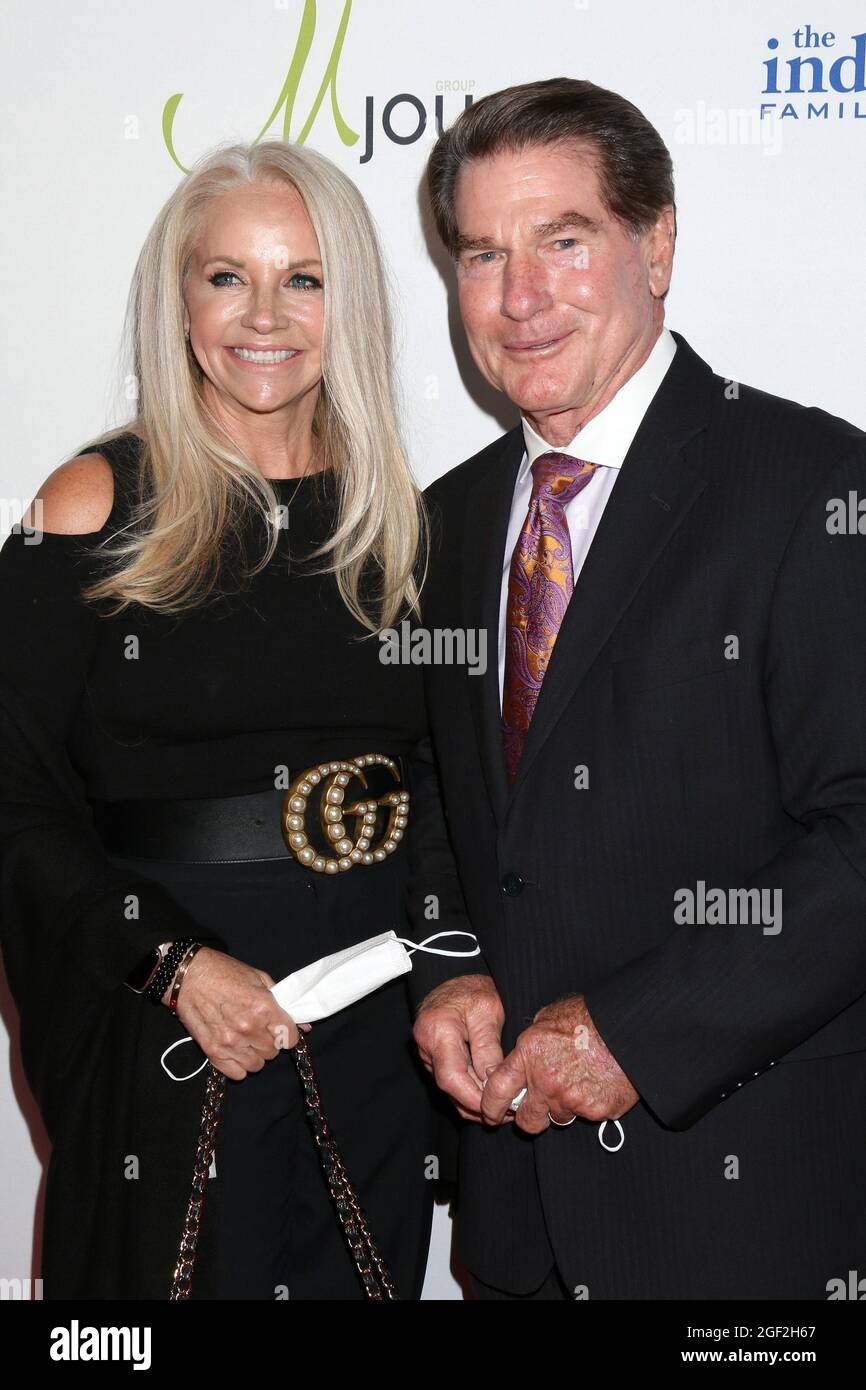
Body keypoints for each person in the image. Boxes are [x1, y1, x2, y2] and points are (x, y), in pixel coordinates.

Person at [407, 76, 866, 1300]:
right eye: (481, 254)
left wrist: (635, 1033)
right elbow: (453, 821)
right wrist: (450, 966)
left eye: (563, 242)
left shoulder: (807, 486)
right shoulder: (445, 525)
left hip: (749, 1218)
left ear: (654, 242)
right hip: (517, 1228)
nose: (518, 299)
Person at [0, 139, 442, 1300]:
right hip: (173, 1029)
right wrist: (170, 963)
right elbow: (12, 791)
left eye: (303, 277)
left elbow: (451, 786)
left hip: (369, 1032)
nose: (265, 314)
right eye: (226, 276)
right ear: (178, 297)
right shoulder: (96, 502)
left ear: (346, 302)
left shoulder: (397, 522)